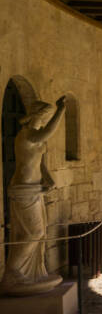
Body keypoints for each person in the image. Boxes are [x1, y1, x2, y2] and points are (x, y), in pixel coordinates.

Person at [0, 96, 66, 295]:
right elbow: (47, 133)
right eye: (44, 116)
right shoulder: (26, 135)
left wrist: (48, 179)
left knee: (36, 232)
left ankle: (29, 274)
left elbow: (39, 161)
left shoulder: (35, 135)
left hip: (34, 189)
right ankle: (12, 273)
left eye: (47, 116)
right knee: (32, 233)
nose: (45, 120)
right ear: (36, 115)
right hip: (23, 189)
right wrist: (60, 111)